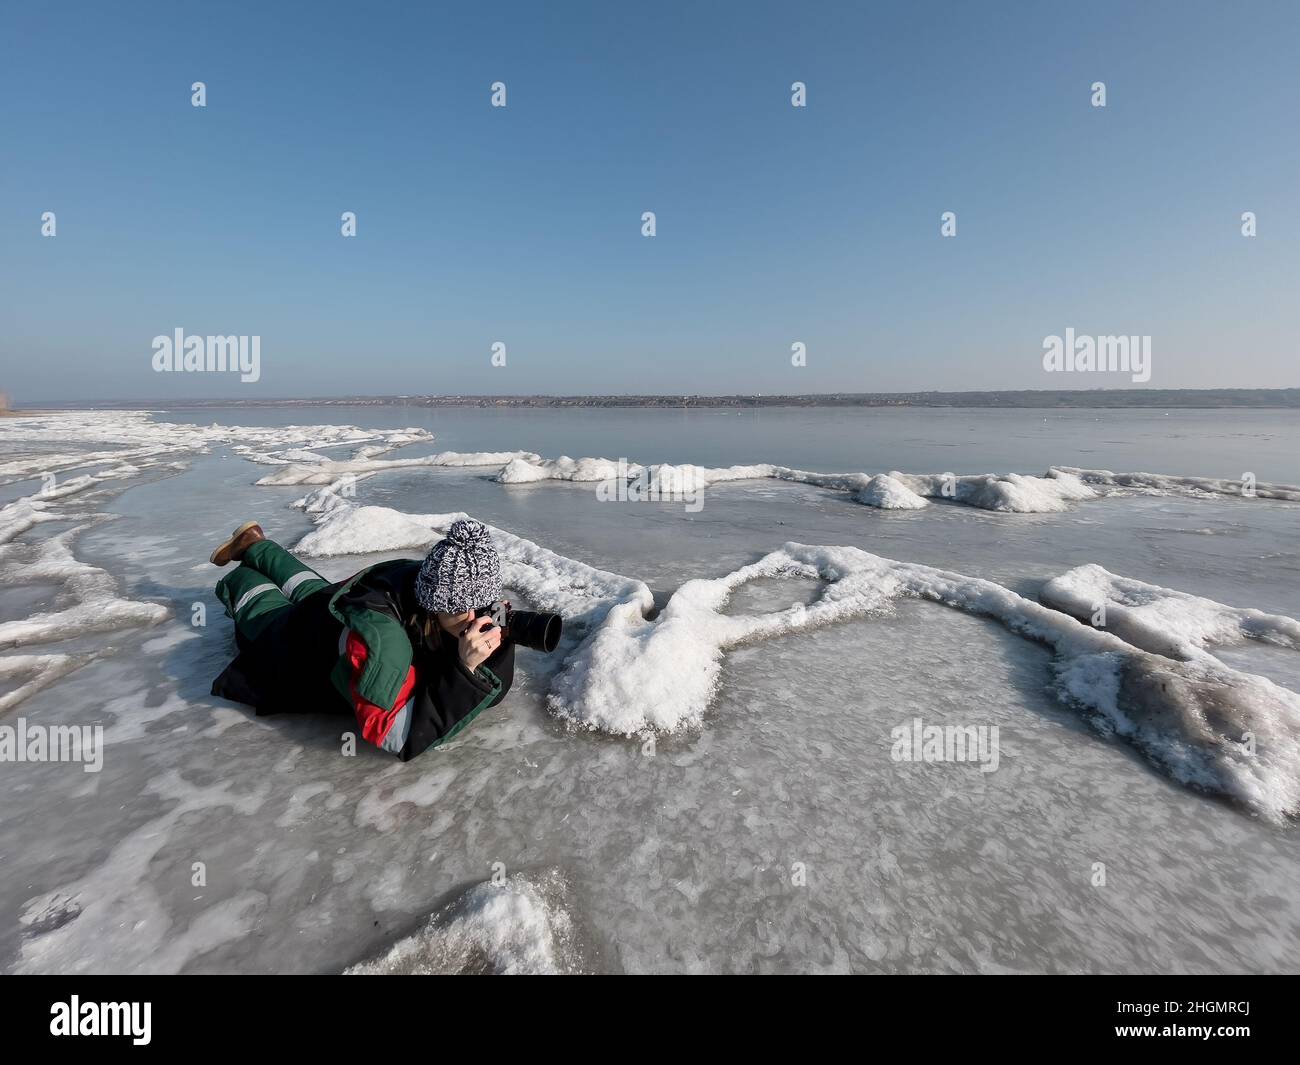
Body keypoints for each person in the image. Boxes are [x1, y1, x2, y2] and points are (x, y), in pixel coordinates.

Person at [209, 518, 514, 760]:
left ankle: (254, 543)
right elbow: (397, 735)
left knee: (309, 588)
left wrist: (502, 633)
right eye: (459, 608)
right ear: (432, 605)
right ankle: (244, 572)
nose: (475, 619)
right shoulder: (382, 644)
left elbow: (480, 619)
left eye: (484, 604)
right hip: (294, 646)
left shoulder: (418, 580)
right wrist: (464, 670)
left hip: (331, 605)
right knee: (264, 607)